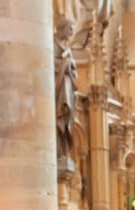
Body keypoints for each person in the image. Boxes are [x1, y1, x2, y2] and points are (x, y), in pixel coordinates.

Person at [54, 17, 78, 164]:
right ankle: (58, 149)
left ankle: (63, 149)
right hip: (58, 86)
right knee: (59, 113)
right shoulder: (51, 42)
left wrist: (70, 64)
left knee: (66, 116)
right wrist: (64, 63)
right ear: (61, 28)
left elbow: (74, 69)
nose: (71, 33)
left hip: (67, 84)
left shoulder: (66, 46)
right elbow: (46, 63)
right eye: (70, 29)